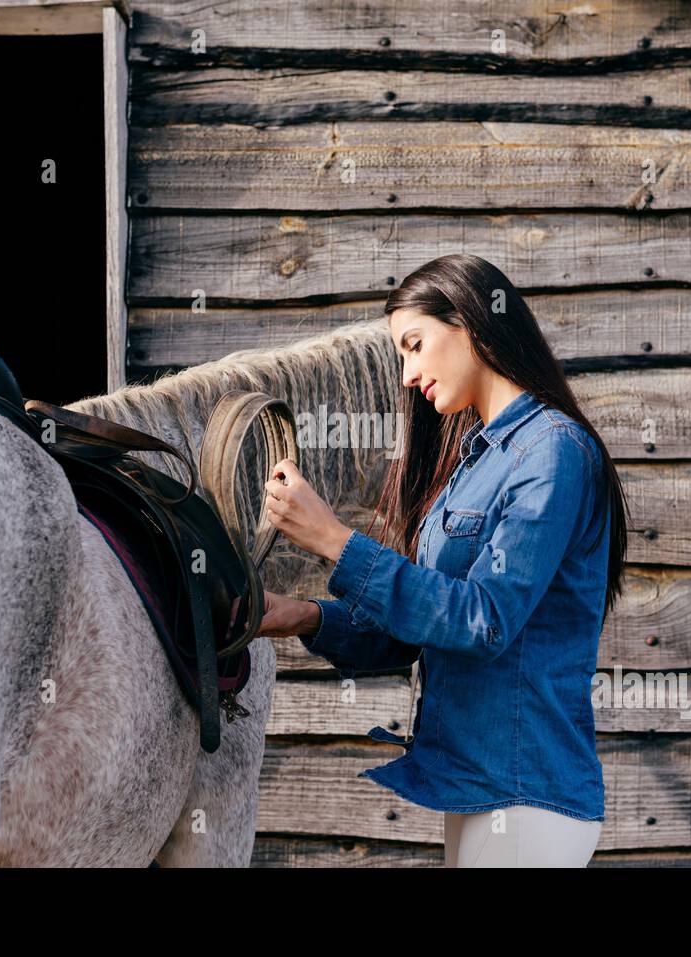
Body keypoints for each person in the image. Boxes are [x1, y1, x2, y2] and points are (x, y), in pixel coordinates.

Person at [256, 254, 629, 867]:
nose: (406, 374)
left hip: (527, 794)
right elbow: (428, 625)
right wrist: (300, 616)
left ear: (471, 321)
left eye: (414, 345)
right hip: (478, 790)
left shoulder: (553, 452)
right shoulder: (473, 465)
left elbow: (482, 620)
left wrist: (333, 540)